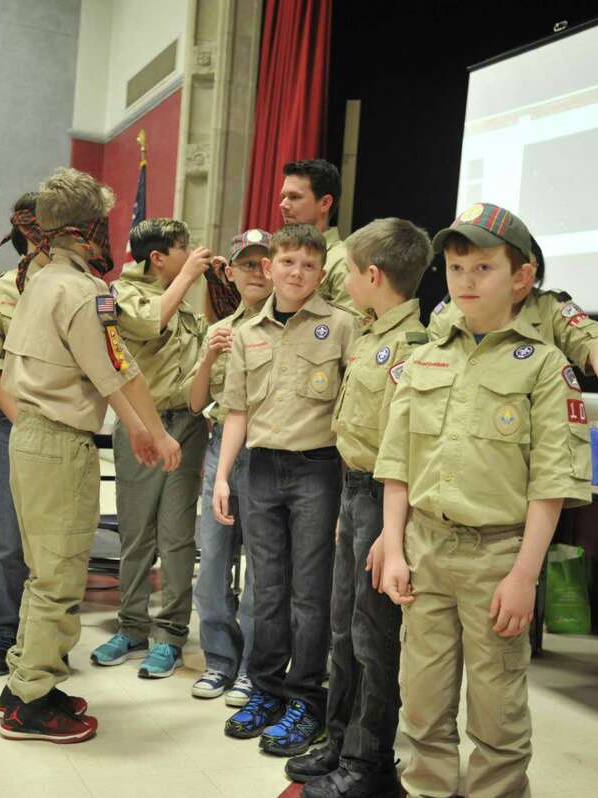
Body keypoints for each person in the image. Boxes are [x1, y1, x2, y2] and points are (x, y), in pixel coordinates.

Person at [375, 203, 591, 797]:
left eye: (483, 268)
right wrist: (393, 548)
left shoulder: (545, 367)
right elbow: (396, 465)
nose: (465, 281)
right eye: (455, 267)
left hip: (496, 557)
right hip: (424, 551)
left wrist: (525, 575)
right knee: (421, 706)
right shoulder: (424, 357)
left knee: (496, 715)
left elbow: (552, 483)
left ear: (521, 278)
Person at [0, 167, 181, 743]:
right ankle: (31, 703)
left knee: (42, 572)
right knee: (58, 578)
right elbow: (115, 372)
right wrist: (154, 433)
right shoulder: (81, 291)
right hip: (58, 442)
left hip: (31, 439)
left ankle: (25, 681)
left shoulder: (40, 278)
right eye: (103, 224)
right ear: (84, 230)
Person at [288, 219, 432, 797]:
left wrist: (389, 532)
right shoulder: (373, 335)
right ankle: (339, 736)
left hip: (385, 498)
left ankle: (369, 761)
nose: (341, 279)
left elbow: (410, 448)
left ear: (372, 276)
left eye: (347, 271)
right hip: (359, 492)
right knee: (344, 628)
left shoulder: (412, 348)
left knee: (375, 636)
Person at [213, 224, 357, 756]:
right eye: (288, 262)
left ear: (322, 274)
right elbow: (236, 411)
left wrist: (348, 492)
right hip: (261, 469)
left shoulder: (343, 327)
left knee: (309, 593)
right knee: (266, 588)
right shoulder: (249, 331)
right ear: (269, 267)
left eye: (309, 265)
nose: (297, 272)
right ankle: (266, 689)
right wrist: (223, 476)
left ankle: (305, 698)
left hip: (318, 470)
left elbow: (353, 414)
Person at [90, 218, 209, 679]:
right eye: (184, 248)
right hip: (142, 424)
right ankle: (132, 626)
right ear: (158, 257)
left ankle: (171, 634)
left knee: (177, 534)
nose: (192, 253)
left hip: (187, 423)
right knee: (137, 533)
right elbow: (147, 322)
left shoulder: (183, 303)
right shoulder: (121, 294)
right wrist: (187, 277)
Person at [185, 228, 272, 705]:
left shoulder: (290, 325)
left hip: (268, 449)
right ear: (231, 273)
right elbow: (198, 402)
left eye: (265, 263)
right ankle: (219, 657)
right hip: (222, 447)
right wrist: (209, 356)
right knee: (213, 559)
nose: (257, 272)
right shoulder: (220, 326)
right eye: (247, 264)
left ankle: (253, 668)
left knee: (262, 568)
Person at [0, 193, 50, 676]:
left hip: (65, 425)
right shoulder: (1, 291)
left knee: (55, 539)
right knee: (8, 538)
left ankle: (45, 636)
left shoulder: (81, 288)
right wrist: (22, 419)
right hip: (14, 424)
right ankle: (3, 632)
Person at [427, 235, 598, 396]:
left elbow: (593, 338)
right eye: (456, 268)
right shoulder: (449, 314)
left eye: (530, 269)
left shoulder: (550, 307)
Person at [278, 160, 358, 316]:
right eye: (283, 197)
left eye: (294, 197)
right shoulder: (276, 253)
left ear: (325, 203)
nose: (283, 204)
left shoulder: (344, 260)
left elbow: (349, 330)